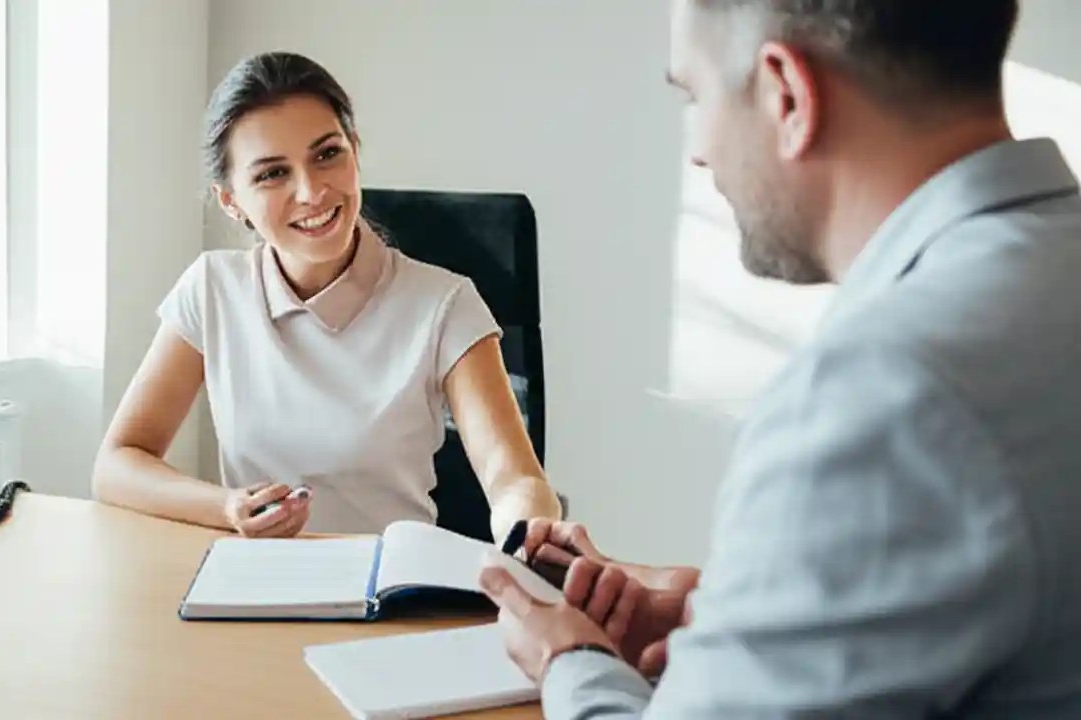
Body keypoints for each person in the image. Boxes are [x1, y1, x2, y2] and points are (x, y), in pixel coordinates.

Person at [480, 0, 1081, 717]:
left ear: (785, 94)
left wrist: (568, 658)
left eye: (694, 96)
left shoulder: (881, 388)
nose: (697, 150)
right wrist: (728, 616)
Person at [93, 51, 561, 540]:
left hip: (392, 594)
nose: (312, 191)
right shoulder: (212, 288)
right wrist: (227, 507)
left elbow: (515, 479)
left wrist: (528, 529)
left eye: (327, 154)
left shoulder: (445, 304)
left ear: (355, 150)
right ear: (231, 201)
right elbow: (118, 464)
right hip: (256, 588)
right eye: (273, 173)